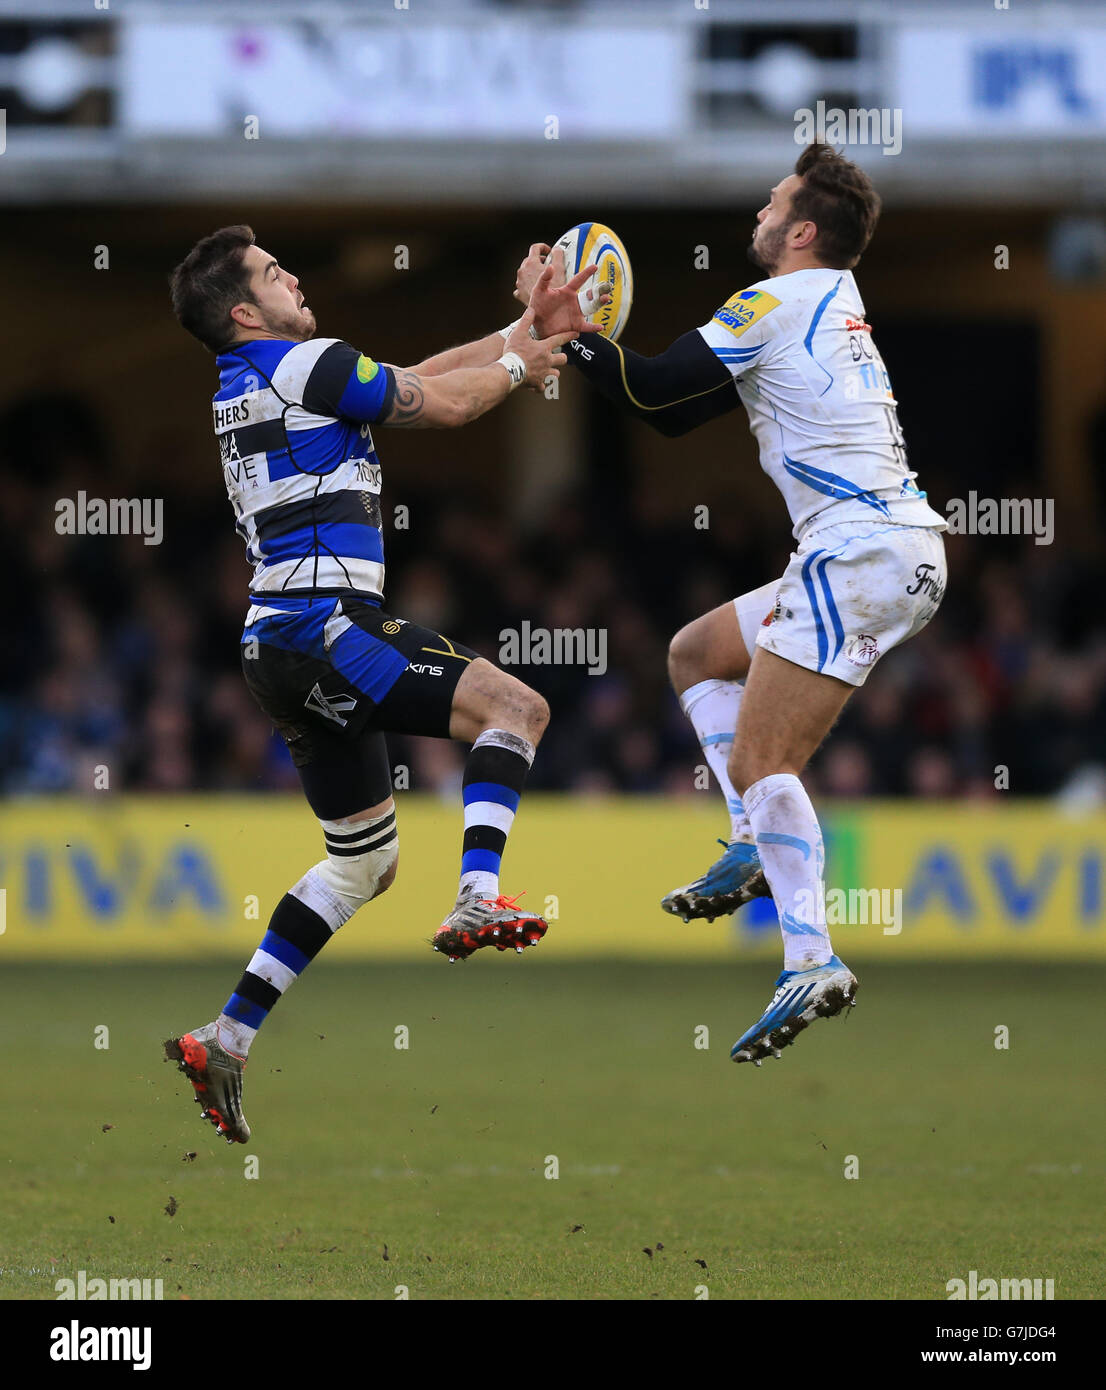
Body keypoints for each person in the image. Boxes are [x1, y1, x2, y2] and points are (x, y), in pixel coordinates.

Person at [164, 224, 600, 1143]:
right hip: (329, 624)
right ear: (246, 311)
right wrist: (527, 365)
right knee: (517, 707)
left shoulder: (267, 380)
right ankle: (480, 890)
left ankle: (227, 1035)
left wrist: (523, 331)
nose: (294, 275)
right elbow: (442, 407)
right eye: (275, 272)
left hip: (273, 642)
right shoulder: (307, 363)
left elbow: (418, 377)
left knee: (364, 860)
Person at [517, 144, 948, 1066]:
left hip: (858, 548)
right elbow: (674, 415)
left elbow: (653, 385)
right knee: (695, 652)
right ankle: (754, 842)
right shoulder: (832, 305)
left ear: (801, 230)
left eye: (771, 201)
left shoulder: (781, 298)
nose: (757, 212)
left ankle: (811, 956)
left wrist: (567, 330)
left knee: (761, 758)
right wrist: (585, 344)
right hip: (883, 549)